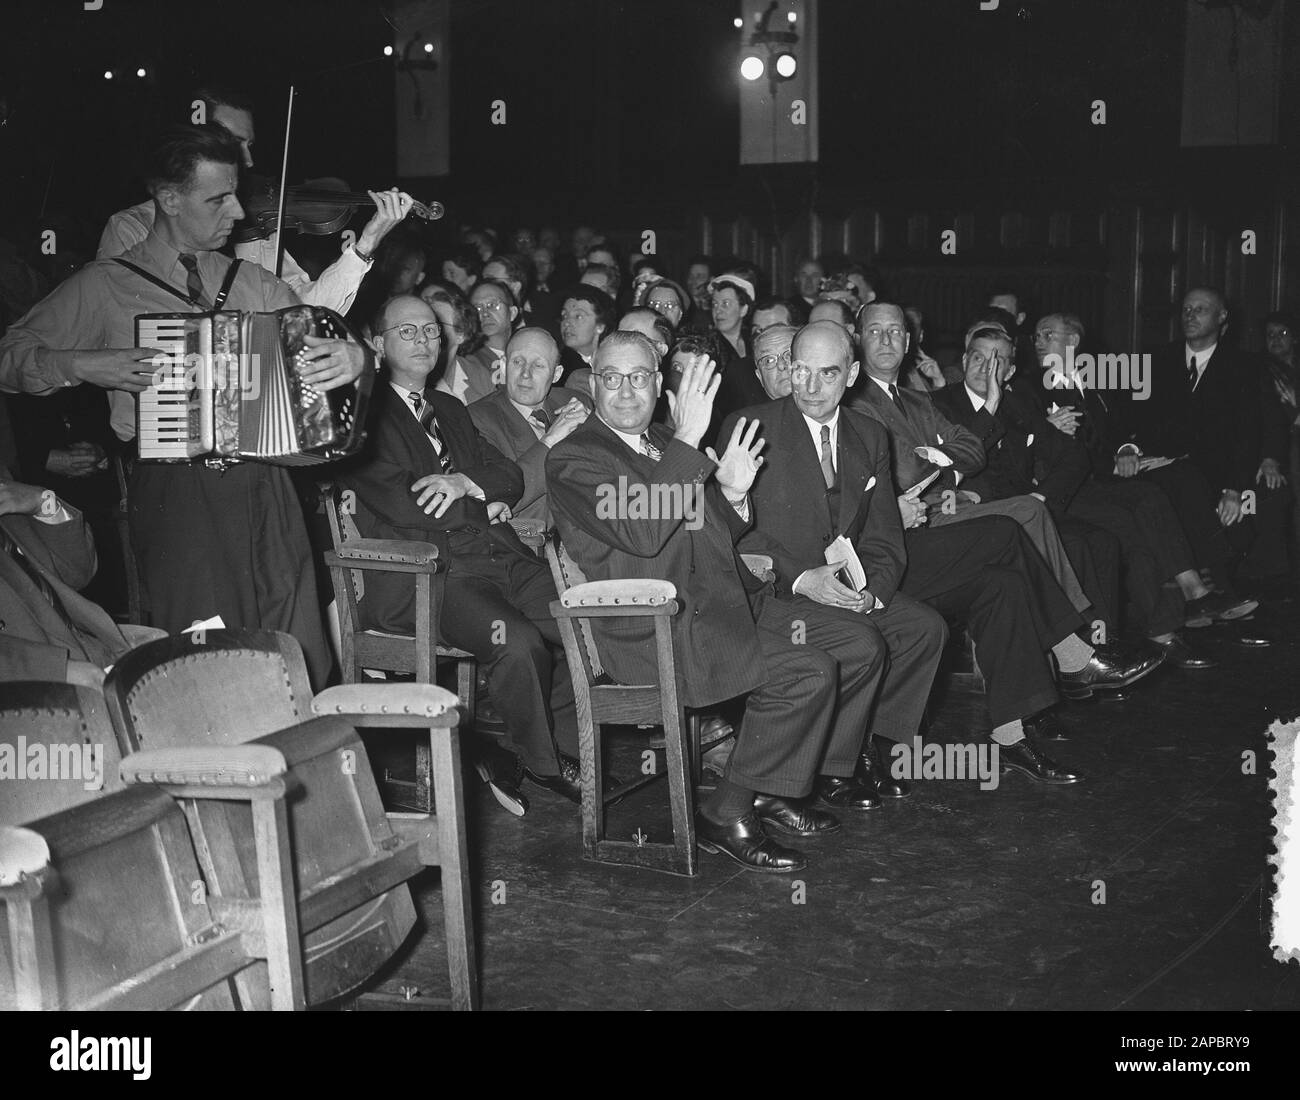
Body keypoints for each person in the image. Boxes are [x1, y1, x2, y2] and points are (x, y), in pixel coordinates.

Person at [0, 125, 368, 686]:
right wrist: (79, 364)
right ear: (168, 200)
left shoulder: (256, 284)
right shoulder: (106, 285)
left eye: (237, 194)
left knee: (296, 652)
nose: (238, 211)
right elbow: (11, 357)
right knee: (205, 661)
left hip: (269, 487)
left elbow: (316, 371)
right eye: (218, 198)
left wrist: (356, 361)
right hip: (177, 496)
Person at [548, 333, 886, 871]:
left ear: (659, 386)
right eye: (612, 378)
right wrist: (688, 438)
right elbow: (642, 531)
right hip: (653, 629)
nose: (627, 391)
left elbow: (708, 530)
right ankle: (727, 808)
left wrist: (730, 492)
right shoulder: (576, 458)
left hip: (717, 604)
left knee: (861, 643)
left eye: (640, 377)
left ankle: (770, 784)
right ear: (593, 386)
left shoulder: (661, 441)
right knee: (809, 672)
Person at [337, 294, 583, 813]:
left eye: (431, 331)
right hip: (428, 575)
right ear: (377, 345)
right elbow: (413, 506)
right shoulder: (361, 415)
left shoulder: (448, 408)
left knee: (579, 622)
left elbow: (509, 475)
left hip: (499, 555)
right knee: (516, 641)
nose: (425, 340)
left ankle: (522, 751)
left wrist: (464, 481)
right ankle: (545, 764)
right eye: (408, 332)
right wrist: (480, 501)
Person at [722, 322, 948, 802]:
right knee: (864, 642)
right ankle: (826, 766)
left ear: (852, 375)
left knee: (923, 628)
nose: (808, 387)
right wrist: (805, 579)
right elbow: (737, 532)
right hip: (779, 589)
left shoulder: (868, 433)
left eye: (827, 374)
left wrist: (874, 592)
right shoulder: (751, 427)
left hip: (846, 584)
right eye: (799, 370)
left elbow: (885, 533)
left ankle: (863, 743)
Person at [96, 86, 414, 317]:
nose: (248, 160)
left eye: (249, 145)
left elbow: (306, 316)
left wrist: (365, 246)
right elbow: (114, 324)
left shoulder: (256, 230)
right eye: (235, 144)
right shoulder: (130, 227)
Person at [1030, 311, 1258, 629]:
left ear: (1073, 341)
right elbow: (1026, 441)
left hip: (1111, 469)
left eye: (1047, 334)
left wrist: (1128, 450)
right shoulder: (1031, 387)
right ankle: (1194, 595)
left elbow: (1122, 428)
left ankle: (1213, 581)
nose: (1039, 342)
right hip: (1076, 482)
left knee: (1182, 475)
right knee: (1146, 501)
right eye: (1037, 337)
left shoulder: (1097, 379)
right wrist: (1047, 429)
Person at [1119, 287, 1263, 590]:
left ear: (1222, 316)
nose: (1190, 315)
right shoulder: (1156, 359)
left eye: (1200, 309)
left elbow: (1248, 433)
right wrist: (1128, 448)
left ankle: (1203, 583)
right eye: (1186, 309)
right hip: (1158, 465)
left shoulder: (1244, 367)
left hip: (1216, 472)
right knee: (1180, 486)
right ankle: (1214, 586)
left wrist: (1235, 489)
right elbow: (1127, 418)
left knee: (1234, 523)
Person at [0, 465, 140, 684]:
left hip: (87, 647)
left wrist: (42, 503)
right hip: (33, 682)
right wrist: (58, 669)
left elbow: (79, 573)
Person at [467, 326, 591, 541]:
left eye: (539, 365)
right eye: (517, 362)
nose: (526, 374)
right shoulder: (476, 418)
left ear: (557, 374)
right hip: (528, 545)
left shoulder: (575, 403)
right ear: (504, 366)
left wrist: (597, 434)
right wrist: (551, 439)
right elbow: (500, 494)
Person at [557, 284, 616, 385]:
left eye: (578, 316)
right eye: (565, 315)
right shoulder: (559, 367)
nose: (567, 323)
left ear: (600, 326)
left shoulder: (614, 361)